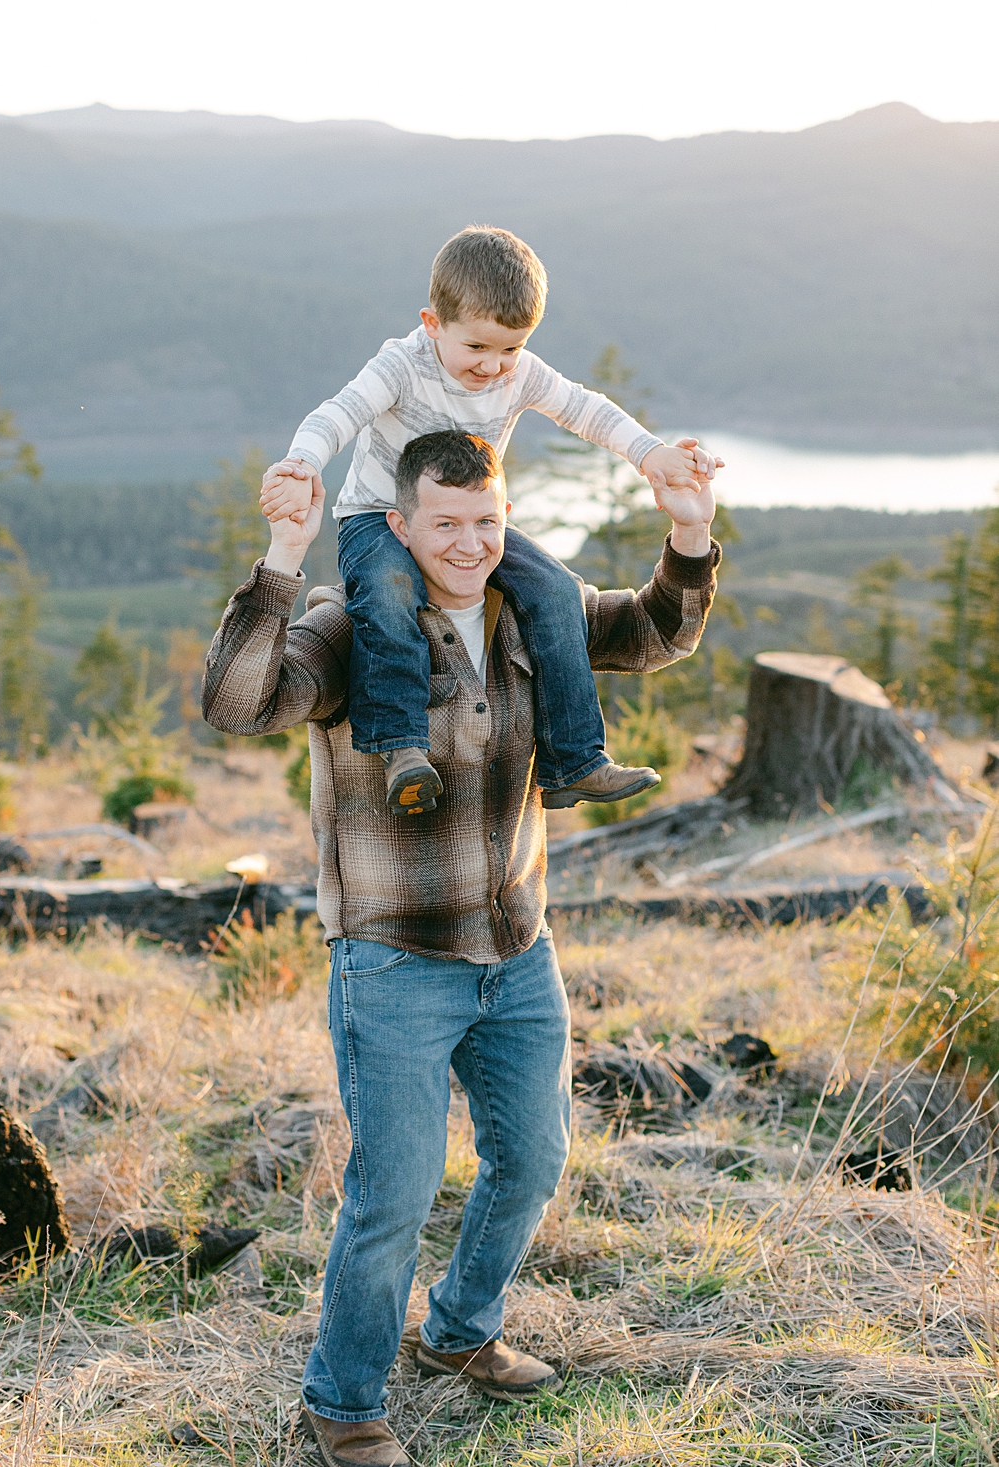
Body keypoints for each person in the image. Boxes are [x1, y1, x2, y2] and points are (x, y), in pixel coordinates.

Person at [202, 429, 720, 1467]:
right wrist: (280, 557)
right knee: (392, 1192)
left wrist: (689, 525)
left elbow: (656, 630)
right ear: (399, 525)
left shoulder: (536, 612)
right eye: (445, 523)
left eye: (486, 521)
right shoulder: (351, 629)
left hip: (517, 952)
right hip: (393, 963)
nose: (469, 543)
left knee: (528, 1163)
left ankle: (457, 1329)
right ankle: (343, 1401)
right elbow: (236, 703)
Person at [258, 225, 723, 817]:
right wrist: (301, 463)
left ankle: (574, 760)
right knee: (389, 589)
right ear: (433, 324)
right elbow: (339, 415)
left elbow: (586, 410)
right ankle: (400, 745)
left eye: (511, 348)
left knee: (557, 590)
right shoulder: (403, 365)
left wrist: (650, 453)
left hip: (474, 519)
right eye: (477, 348)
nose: (495, 366)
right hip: (379, 515)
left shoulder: (521, 372)